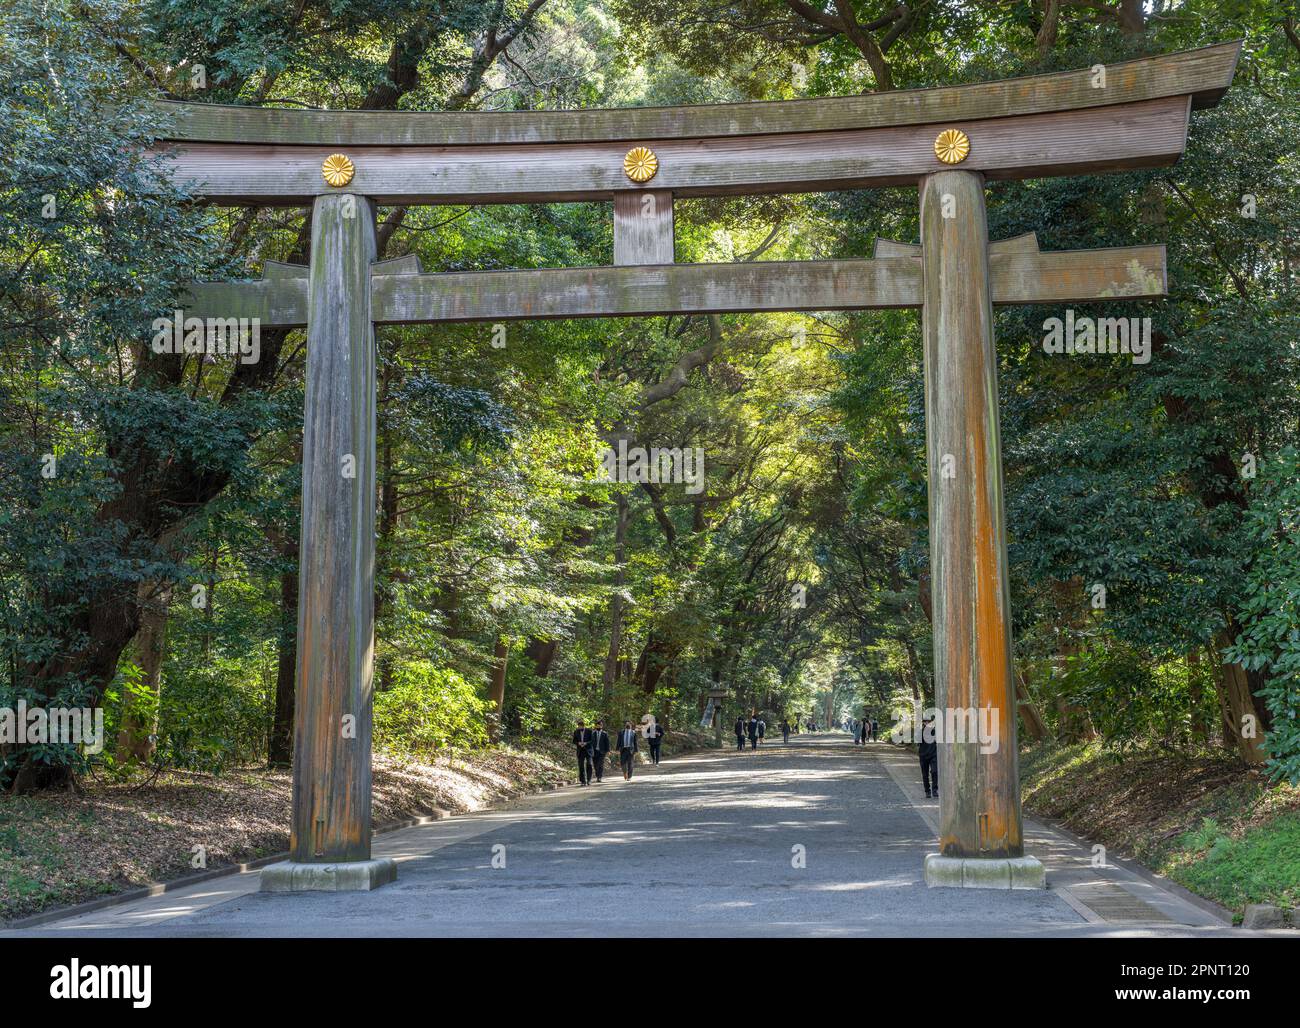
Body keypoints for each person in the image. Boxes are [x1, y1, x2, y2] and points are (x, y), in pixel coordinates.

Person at [918, 715, 938, 799]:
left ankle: (934, 790)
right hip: (923, 756)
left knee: (935, 771)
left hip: (933, 755)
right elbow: (918, 744)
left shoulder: (934, 731)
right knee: (925, 774)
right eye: (925, 722)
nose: (927, 723)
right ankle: (927, 791)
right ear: (923, 723)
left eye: (929, 722)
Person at [572, 719, 594, 786]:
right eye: (578, 727)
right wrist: (578, 743)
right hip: (580, 751)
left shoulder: (589, 731)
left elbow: (592, 740)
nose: (579, 728)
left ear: (583, 726)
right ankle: (583, 781)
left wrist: (586, 743)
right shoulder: (576, 732)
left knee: (589, 764)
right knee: (581, 766)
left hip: (588, 750)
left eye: (580, 727)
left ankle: (589, 780)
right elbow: (574, 741)